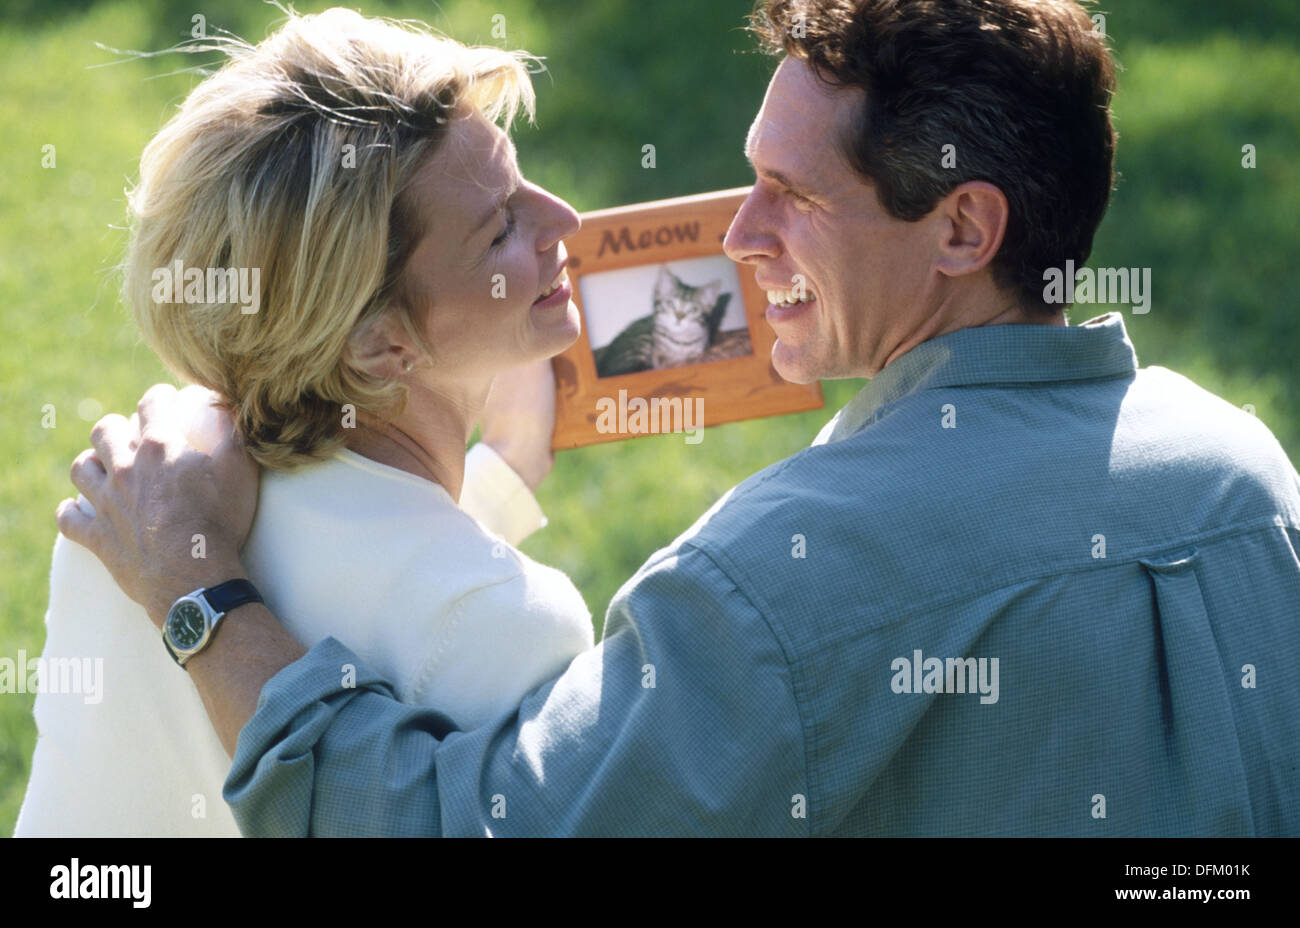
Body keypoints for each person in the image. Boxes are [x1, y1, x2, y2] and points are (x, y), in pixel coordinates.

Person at [59, 0, 1300, 836]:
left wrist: (198, 589)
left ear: (964, 228)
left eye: (787, 193)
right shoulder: (1248, 482)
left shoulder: (777, 583)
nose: (738, 238)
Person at [17, 8, 593, 836]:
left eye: (520, 177)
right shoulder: (512, 627)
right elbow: (427, 608)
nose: (565, 220)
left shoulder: (132, 500)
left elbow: (357, 561)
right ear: (378, 344)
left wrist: (507, 467)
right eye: (502, 225)